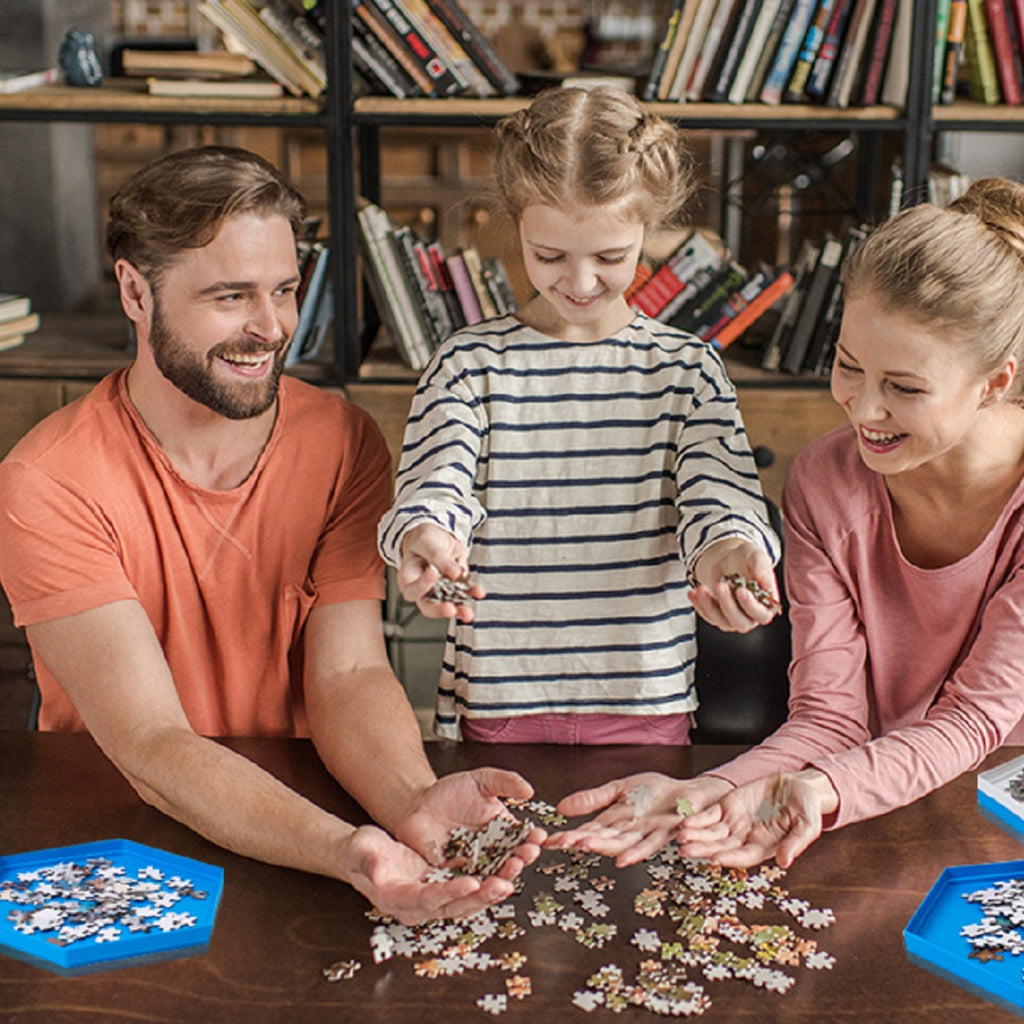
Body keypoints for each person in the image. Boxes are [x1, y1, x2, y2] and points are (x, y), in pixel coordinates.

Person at [0, 145, 542, 924]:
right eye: (230, 296)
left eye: (285, 289)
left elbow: (348, 675)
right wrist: (348, 852)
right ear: (134, 291)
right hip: (121, 845)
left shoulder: (344, 441)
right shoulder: (45, 481)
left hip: (307, 814)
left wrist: (409, 802)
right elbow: (152, 745)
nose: (272, 327)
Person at [548, 176, 1024, 868]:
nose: (863, 410)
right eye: (848, 366)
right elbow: (830, 719)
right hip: (858, 799)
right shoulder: (826, 480)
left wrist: (824, 788)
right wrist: (702, 793)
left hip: (996, 815)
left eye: (905, 388)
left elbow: (978, 721)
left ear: (995, 383)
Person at [377, 87, 781, 745]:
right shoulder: (468, 363)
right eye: (550, 256)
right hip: (501, 697)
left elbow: (720, 497)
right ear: (517, 224)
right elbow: (434, 484)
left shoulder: (687, 370)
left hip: (645, 698)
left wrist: (732, 551)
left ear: (648, 232)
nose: (581, 282)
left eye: (610, 257)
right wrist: (428, 537)